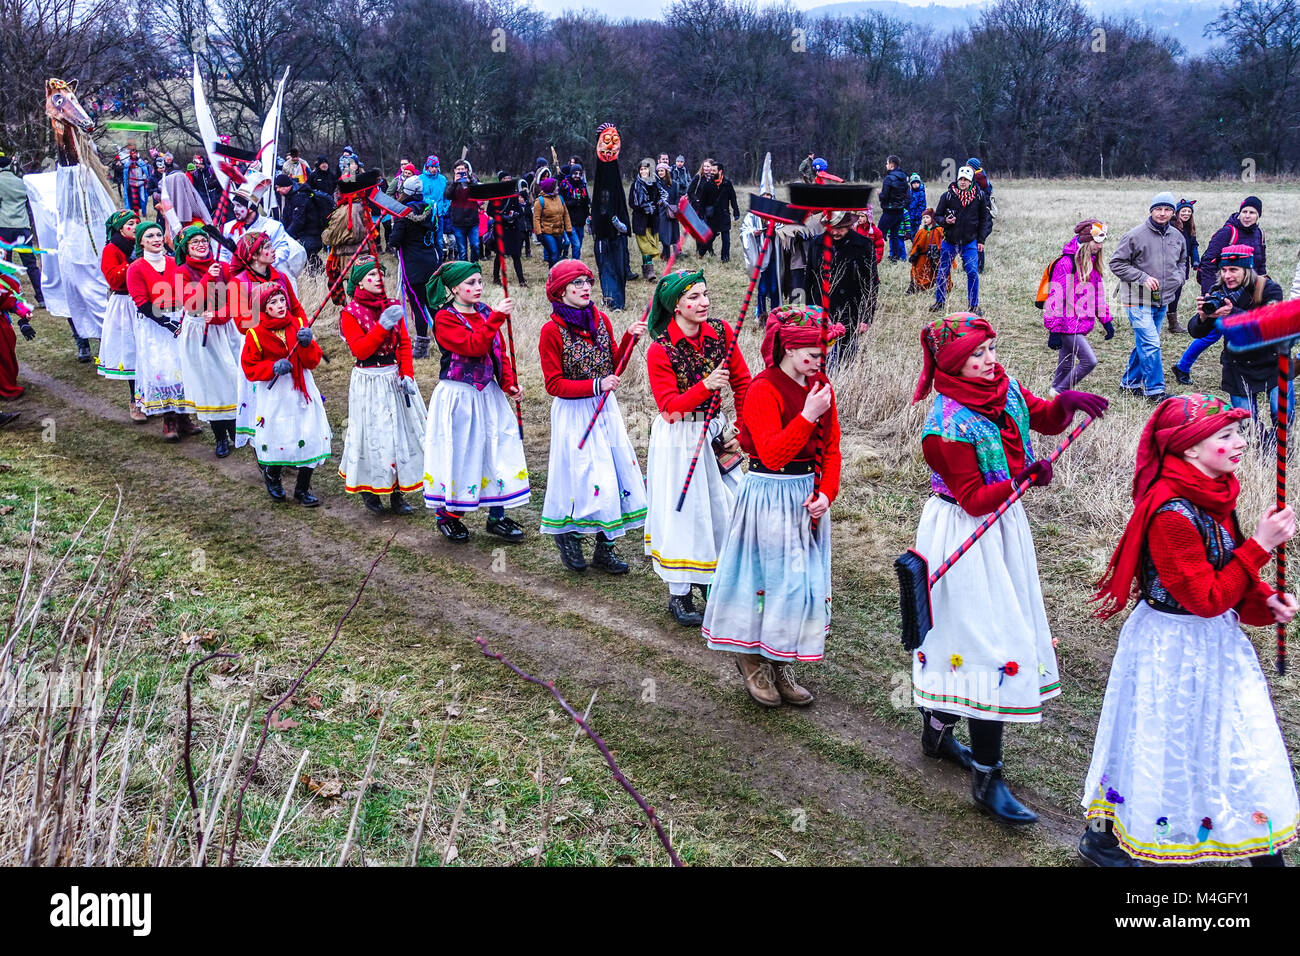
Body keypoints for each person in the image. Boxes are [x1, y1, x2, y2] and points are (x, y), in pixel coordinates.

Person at [1082, 393, 1299, 867]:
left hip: (1216, 641)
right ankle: (1104, 841)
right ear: (1188, 449)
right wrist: (1262, 545)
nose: (1240, 443)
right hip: (1171, 644)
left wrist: (1267, 603)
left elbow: (1226, 572)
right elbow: (1204, 598)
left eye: (1238, 432)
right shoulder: (1170, 514)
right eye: (1225, 435)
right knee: (1158, 742)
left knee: (1236, 740)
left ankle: (1264, 853)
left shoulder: (1215, 490)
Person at [910, 312, 1108, 824]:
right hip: (964, 529)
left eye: (990, 349)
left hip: (1004, 526)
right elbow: (973, 498)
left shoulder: (1005, 387)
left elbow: (1039, 416)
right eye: (976, 355)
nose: (989, 360)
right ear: (953, 363)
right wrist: (1023, 478)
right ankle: (987, 775)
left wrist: (1067, 404)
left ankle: (936, 728)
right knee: (984, 641)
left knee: (978, 633)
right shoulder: (944, 427)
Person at [703, 304, 843, 708]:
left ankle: (779, 660)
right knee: (768, 583)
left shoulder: (820, 384)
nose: (819, 361)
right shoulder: (764, 389)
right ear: (787, 348)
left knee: (796, 588)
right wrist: (806, 415)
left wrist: (826, 494)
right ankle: (752, 660)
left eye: (822, 354)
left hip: (806, 497)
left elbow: (832, 448)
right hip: (770, 494)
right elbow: (772, 453)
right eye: (812, 354)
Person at [643, 269, 751, 626]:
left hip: (716, 433)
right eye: (693, 297)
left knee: (727, 506)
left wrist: (744, 427)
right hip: (679, 439)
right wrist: (705, 385)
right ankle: (680, 592)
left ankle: (714, 580)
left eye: (705, 294)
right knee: (686, 514)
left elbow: (744, 383)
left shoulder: (722, 333)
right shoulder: (661, 350)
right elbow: (670, 407)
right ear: (675, 306)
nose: (703, 302)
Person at [538, 259, 648, 572]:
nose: (586, 287)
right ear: (560, 292)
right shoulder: (551, 331)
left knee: (613, 474)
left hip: (604, 410)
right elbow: (553, 384)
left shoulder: (600, 320)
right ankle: (569, 536)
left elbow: (613, 365)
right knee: (584, 476)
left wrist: (629, 339)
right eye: (577, 284)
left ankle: (605, 547)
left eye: (587, 281)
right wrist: (597, 384)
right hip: (574, 412)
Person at [421, 260, 529, 541]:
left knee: (496, 451)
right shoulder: (444, 318)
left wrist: (508, 383)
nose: (478, 287)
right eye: (470, 283)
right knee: (462, 454)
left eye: (480, 282)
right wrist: (496, 319)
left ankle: (497, 516)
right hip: (459, 396)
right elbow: (473, 346)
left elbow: (496, 351)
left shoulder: (484, 311)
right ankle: (449, 515)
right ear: (454, 288)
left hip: (487, 394)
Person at [337, 256, 426, 514]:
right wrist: (382, 325)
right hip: (369, 379)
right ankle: (370, 488)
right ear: (360, 283)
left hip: (394, 377)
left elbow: (405, 343)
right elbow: (361, 350)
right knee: (373, 435)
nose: (378, 279)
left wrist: (407, 374)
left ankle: (399, 492)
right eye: (371, 276)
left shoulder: (393, 305)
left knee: (400, 433)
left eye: (380, 274)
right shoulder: (350, 314)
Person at [240, 281, 331, 506]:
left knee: (308, 432)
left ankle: (302, 488)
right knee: (278, 433)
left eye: (282, 300)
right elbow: (249, 368)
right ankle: (272, 475)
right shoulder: (255, 334)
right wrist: (271, 368)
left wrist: (309, 344)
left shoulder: (298, 324)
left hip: (302, 389)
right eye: (273, 302)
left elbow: (312, 361)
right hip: (275, 393)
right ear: (263, 307)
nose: (280, 305)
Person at [1187, 245, 1287, 433]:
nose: (1227, 276)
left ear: (1247, 270)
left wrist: (1232, 313)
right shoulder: (1218, 291)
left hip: (1272, 361)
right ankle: (1259, 455)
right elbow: (1196, 332)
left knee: (1283, 418)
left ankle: (1284, 454)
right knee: (1247, 424)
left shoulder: (1269, 289)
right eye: (1223, 270)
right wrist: (1203, 318)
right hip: (1238, 363)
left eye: (1233, 270)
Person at [1108, 192, 1187, 403]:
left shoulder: (1177, 236)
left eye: (1167, 209)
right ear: (1151, 210)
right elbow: (1116, 263)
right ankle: (1155, 391)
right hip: (1136, 298)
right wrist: (1142, 277)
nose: (1162, 213)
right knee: (1151, 343)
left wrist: (1178, 278)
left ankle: (1129, 384)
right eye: (1158, 209)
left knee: (1146, 342)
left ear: (1173, 212)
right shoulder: (1135, 235)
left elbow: (1182, 261)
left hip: (1163, 299)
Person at [126, 220, 198, 441]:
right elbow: (143, 303)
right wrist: (168, 323)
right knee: (163, 369)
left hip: (179, 317)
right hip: (155, 323)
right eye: (150, 237)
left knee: (183, 367)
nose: (156, 240)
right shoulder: (136, 268)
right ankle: (169, 419)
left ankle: (184, 416)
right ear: (141, 242)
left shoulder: (174, 262)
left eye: (158, 235)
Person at [174, 224, 239, 457]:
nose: (201, 245)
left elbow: (235, 298)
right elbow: (191, 304)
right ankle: (220, 436)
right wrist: (206, 281)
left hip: (224, 328)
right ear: (187, 249)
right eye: (195, 243)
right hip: (200, 331)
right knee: (211, 384)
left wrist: (222, 315)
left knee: (232, 379)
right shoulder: (181, 271)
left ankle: (235, 429)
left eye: (204, 241)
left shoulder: (222, 267)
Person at [1042, 220, 1113, 395]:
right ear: (1087, 240)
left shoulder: (1092, 262)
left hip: (1079, 323)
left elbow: (1097, 295)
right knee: (1089, 361)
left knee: (1065, 366)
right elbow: (1056, 297)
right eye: (1096, 241)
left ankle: (1052, 400)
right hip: (1066, 325)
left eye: (1102, 241)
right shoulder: (1067, 263)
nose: (1100, 245)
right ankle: (1057, 392)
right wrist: (1054, 330)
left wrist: (1106, 321)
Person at [804, 210, 877, 362]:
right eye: (832, 228)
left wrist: (865, 318)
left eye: (840, 228)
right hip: (822, 309)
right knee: (822, 358)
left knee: (847, 357)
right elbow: (809, 280)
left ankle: (845, 382)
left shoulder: (863, 245)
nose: (836, 232)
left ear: (850, 226)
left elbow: (871, 284)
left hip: (851, 309)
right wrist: (809, 312)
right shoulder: (816, 244)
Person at [218, 172, 306, 291]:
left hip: (268, 282)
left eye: (239, 206)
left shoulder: (273, 226)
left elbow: (283, 251)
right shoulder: (229, 228)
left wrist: (261, 268)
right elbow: (223, 254)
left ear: (250, 208)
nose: (235, 210)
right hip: (238, 283)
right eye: (234, 205)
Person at [98, 210, 145, 420]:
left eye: (137, 223)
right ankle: (135, 401)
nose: (135, 227)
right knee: (133, 352)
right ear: (120, 228)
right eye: (130, 224)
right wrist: (132, 263)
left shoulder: (145, 244)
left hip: (146, 301)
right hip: (126, 303)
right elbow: (113, 280)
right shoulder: (112, 249)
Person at [390, 175, 443, 360]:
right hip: (431, 262)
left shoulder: (403, 214)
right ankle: (446, 343)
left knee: (419, 307)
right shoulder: (430, 209)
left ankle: (421, 347)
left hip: (413, 266)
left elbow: (395, 241)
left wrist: (393, 226)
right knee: (434, 305)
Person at [930, 166, 991, 316]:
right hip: (950, 241)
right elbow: (936, 216)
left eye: (966, 180)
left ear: (971, 181)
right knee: (943, 271)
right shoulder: (947, 196)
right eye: (960, 179)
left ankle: (973, 306)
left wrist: (981, 240)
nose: (963, 182)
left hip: (970, 241)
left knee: (972, 271)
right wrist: (945, 221)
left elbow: (984, 220)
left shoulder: (979, 196)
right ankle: (939, 302)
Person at [322, 171, 382, 304]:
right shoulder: (362, 205)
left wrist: (325, 231)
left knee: (355, 294)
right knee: (365, 291)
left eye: (338, 191)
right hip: (365, 255)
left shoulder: (344, 211)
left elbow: (329, 238)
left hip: (349, 259)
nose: (337, 194)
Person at [591, 122, 632, 311]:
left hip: (614, 231)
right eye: (606, 140)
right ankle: (613, 300)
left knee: (616, 266)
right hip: (606, 231)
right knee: (608, 266)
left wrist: (616, 221)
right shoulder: (603, 175)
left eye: (614, 140)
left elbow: (608, 199)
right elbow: (603, 199)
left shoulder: (611, 175)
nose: (610, 145)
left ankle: (616, 300)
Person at [0, 156, 43, 307]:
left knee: (6, 264)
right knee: (30, 264)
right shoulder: (21, 182)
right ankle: (41, 296)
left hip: (4, 227)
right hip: (22, 227)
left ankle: (10, 296)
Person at [1200, 197, 1265, 294]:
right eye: (1244, 212)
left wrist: (1262, 288)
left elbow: (1261, 264)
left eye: (1252, 213)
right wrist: (1209, 292)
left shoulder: (1260, 234)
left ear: (1258, 215)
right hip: (1225, 289)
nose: (1247, 216)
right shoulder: (1228, 232)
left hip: (1249, 291)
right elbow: (1208, 264)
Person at [280, 175, 331, 274]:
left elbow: (298, 221)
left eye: (279, 187)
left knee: (304, 252)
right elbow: (287, 218)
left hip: (312, 233)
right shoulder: (290, 196)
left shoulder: (299, 197)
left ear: (287, 186)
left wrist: (286, 236)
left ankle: (321, 274)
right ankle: (318, 274)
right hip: (304, 234)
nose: (277, 190)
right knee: (305, 255)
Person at [742, 192, 781, 321]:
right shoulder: (752, 216)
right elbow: (744, 231)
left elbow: (784, 231)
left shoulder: (776, 215)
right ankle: (762, 315)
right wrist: (753, 233)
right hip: (760, 257)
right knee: (762, 287)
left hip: (774, 258)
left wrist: (775, 230)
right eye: (764, 200)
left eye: (769, 200)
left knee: (775, 287)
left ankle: (775, 314)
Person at [1165, 198, 1199, 335]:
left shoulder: (1189, 228)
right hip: (1169, 266)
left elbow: (1194, 245)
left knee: (1176, 293)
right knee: (1159, 292)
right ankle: (1152, 319)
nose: (1186, 214)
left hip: (1182, 267)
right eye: (1183, 211)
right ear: (1177, 212)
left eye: (1189, 211)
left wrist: (1196, 260)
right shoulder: (1170, 226)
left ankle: (1173, 324)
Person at [487, 173, 527, 288]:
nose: (507, 180)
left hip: (513, 229)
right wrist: (502, 216)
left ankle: (521, 280)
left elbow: (520, 210)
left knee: (516, 255)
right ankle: (496, 278)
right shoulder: (496, 195)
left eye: (509, 178)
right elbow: (490, 211)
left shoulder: (514, 195)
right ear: (500, 180)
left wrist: (515, 215)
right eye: (505, 179)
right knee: (500, 255)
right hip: (501, 228)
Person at [629, 158, 666, 281]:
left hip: (653, 220)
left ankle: (647, 271)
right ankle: (649, 272)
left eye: (646, 169)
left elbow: (662, 196)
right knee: (645, 248)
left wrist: (658, 203)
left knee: (652, 245)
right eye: (642, 169)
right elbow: (632, 203)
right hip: (641, 220)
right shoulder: (636, 185)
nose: (644, 171)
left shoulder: (655, 183)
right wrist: (644, 207)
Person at [0, 270, 35, 401]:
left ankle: (7, 385)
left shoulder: (4, 281)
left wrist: (24, 313)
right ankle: (6, 389)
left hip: (2, 325)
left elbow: (12, 300)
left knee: (6, 357)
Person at [906, 209, 951, 295]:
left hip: (936, 256)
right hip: (922, 256)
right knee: (917, 270)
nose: (925, 219)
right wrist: (914, 254)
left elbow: (943, 243)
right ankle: (915, 286)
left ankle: (943, 288)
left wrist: (938, 252)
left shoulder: (939, 230)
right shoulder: (921, 232)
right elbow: (916, 245)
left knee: (938, 272)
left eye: (927, 217)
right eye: (923, 218)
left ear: (933, 218)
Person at [444, 161, 481, 262]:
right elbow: (447, 195)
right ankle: (465, 273)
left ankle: (473, 267)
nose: (460, 171)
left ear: (467, 170)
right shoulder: (451, 183)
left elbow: (479, 193)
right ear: (455, 171)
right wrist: (455, 183)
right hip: (458, 222)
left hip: (472, 220)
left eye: (463, 169)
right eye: (458, 169)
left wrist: (470, 182)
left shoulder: (472, 181)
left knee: (475, 246)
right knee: (462, 251)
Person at [532, 176, 571, 268]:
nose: (558, 188)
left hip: (559, 231)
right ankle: (552, 276)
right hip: (546, 232)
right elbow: (536, 218)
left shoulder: (560, 199)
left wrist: (568, 229)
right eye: (555, 186)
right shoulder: (540, 201)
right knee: (554, 252)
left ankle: (556, 271)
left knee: (558, 253)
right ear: (550, 188)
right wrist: (539, 233)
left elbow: (566, 214)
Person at [877, 155, 909, 263]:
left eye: (886, 163)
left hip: (889, 211)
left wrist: (879, 194)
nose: (885, 165)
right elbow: (907, 195)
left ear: (891, 165)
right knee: (894, 236)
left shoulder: (888, 178)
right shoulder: (904, 177)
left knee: (878, 233)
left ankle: (873, 256)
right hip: (900, 212)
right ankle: (894, 258)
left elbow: (884, 196)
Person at [687, 159, 720, 257]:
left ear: (712, 168)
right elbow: (690, 191)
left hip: (710, 208)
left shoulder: (715, 179)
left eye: (708, 166)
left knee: (711, 231)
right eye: (704, 166)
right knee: (701, 230)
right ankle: (699, 251)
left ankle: (709, 249)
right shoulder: (698, 177)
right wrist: (696, 200)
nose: (706, 168)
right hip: (699, 208)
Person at [558, 162, 590, 260]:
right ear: (571, 174)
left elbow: (586, 203)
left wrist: (588, 214)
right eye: (575, 173)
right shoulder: (565, 186)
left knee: (578, 245)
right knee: (575, 244)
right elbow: (561, 203)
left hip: (580, 221)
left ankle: (575, 263)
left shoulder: (582, 186)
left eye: (579, 174)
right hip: (569, 221)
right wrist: (574, 202)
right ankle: (575, 264)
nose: (577, 176)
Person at [419, 156, 449, 256]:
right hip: (426, 215)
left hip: (439, 215)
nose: (434, 169)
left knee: (439, 242)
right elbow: (419, 196)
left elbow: (447, 196)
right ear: (427, 166)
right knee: (427, 240)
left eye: (436, 167)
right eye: (432, 167)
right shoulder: (420, 179)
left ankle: (439, 264)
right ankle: (429, 263)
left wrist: (444, 209)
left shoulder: (442, 179)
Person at [968, 157, 993, 272]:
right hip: (978, 215)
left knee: (978, 243)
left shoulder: (978, 178)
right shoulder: (982, 176)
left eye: (968, 166)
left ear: (973, 167)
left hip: (980, 215)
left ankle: (979, 267)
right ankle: (973, 265)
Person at [712, 163, 739, 263]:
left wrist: (736, 211)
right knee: (710, 237)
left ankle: (725, 258)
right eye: (711, 170)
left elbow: (733, 198)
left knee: (726, 238)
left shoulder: (727, 183)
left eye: (714, 170)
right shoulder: (709, 183)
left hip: (724, 214)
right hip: (712, 216)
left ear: (720, 171)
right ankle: (705, 251)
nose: (711, 172)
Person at [121, 146, 150, 215]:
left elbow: (145, 171)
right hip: (132, 183)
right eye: (133, 153)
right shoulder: (128, 162)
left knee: (143, 198)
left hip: (141, 182)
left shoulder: (140, 162)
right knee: (134, 199)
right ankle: (136, 213)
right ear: (130, 154)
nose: (134, 155)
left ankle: (144, 212)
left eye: (135, 153)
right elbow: (125, 172)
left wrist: (145, 178)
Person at [905, 173, 927, 243]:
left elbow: (922, 206)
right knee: (910, 233)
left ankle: (916, 246)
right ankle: (915, 245)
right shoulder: (910, 192)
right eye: (914, 183)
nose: (915, 184)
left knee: (915, 233)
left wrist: (918, 215)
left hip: (916, 218)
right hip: (909, 217)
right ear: (911, 184)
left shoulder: (921, 193)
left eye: (917, 182)